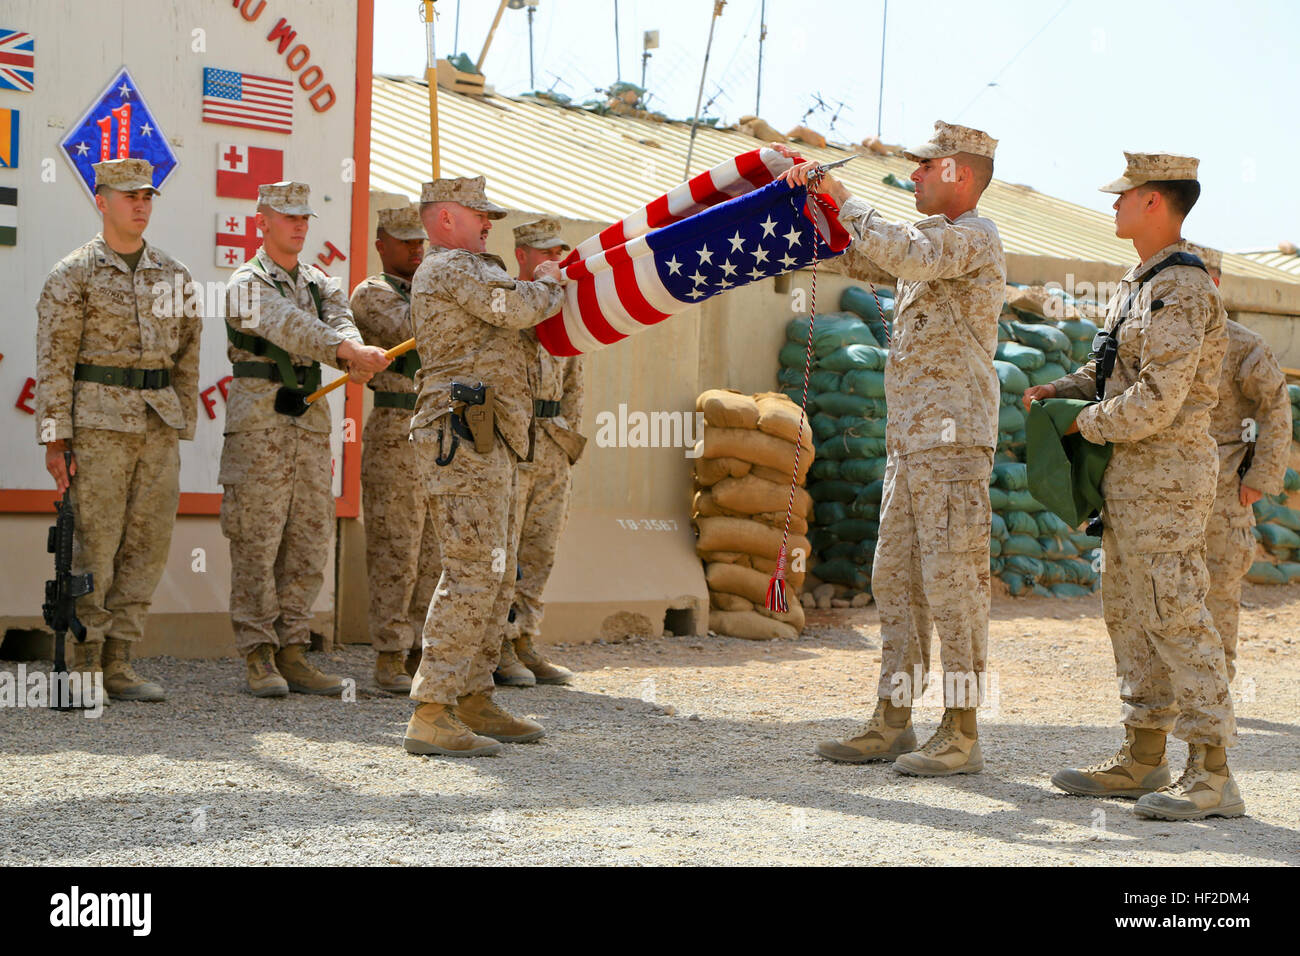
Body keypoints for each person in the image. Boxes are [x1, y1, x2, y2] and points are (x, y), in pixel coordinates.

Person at [779, 122, 1005, 775]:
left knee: (954, 581)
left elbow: (904, 254)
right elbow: (871, 253)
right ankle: (894, 717)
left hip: (953, 441)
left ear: (957, 173)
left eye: (924, 167)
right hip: (911, 441)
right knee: (896, 578)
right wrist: (813, 203)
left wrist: (843, 194)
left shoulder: (972, 238)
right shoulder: (928, 241)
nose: (912, 177)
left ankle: (961, 731)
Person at [1025, 153, 1242, 821]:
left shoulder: (1184, 288)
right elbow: (1111, 371)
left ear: (1154, 202)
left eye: (1124, 196)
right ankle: (1143, 756)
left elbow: (1157, 400)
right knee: (1130, 613)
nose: (1113, 206)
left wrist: (1082, 425)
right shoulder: (1141, 286)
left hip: (1167, 477)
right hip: (1130, 478)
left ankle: (1212, 774)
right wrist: (1057, 394)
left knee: (1174, 611)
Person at [402, 176, 565, 757]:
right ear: (445, 218)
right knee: (472, 568)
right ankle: (432, 710)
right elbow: (518, 307)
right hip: (462, 437)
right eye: (478, 213)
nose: (488, 222)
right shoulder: (450, 267)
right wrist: (546, 281)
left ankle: (472, 695)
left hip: (489, 437)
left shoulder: (470, 265)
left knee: (496, 572)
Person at [35, 158, 201, 703]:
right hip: (98, 427)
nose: (141, 205)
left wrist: (182, 421)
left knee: (146, 546)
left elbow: (188, 356)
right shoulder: (72, 275)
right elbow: (55, 361)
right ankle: (84, 662)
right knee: (95, 545)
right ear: (101, 201)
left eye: (148, 196)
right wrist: (55, 440)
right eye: (129, 196)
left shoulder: (174, 276)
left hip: (156, 426)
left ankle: (120, 660)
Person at [222, 181, 391, 697]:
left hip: (311, 427)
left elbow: (341, 322)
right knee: (256, 539)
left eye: (304, 217)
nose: (298, 224)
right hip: (260, 427)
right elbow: (290, 326)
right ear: (262, 222)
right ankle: (259, 653)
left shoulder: (322, 283)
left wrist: (359, 353)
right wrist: (346, 352)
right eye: (286, 216)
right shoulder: (246, 283)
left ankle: (294, 648)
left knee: (308, 540)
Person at [1185, 244, 1291, 683]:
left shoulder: (1245, 345)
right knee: (1166, 591)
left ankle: (1218, 685)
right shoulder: (1163, 340)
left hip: (1226, 491)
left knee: (1220, 589)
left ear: (1216, 281)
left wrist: (1260, 478)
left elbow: (1277, 409)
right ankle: (1172, 690)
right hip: (1166, 489)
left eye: (1200, 278)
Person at [352, 204, 440, 694]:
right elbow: (417, 330)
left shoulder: (430, 290)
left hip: (440, 427)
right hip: (396, 425)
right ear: (381, 243)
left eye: (420, 241)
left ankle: (420, 651)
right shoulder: (373, 294)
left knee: (433, 550)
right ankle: (389, 654)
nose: (415, 249)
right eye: (405, 240)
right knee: (396, 547)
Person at [493, 218, 584, 688]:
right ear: (522, 254)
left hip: (551, 443)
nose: (554, 259)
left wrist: (569, 440)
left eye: (559, 251)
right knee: (503, 551)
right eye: (545, 252)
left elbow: (574, 383)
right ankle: (499, 644)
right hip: (513, 439)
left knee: (541, 548)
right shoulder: (509, 303)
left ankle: (526, 636)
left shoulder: (560, 308)